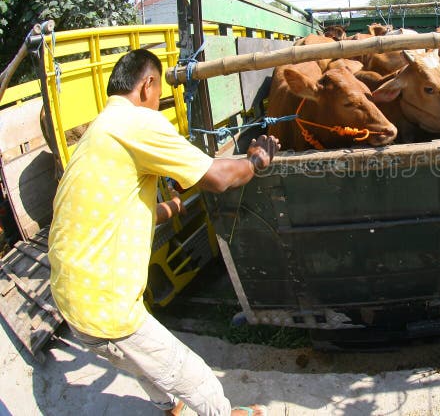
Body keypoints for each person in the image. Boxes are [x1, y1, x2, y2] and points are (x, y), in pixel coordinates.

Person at [48, 49, 279, 415]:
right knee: (194, 377)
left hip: (70, 298)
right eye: (160, 98)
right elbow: (218, 178)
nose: (159, 106)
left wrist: (170, 207)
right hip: (104, 303)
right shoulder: (138, 123)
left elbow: (118, 207)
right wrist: (255, 161)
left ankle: (169, 407)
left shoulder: (99, 129)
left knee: (137, 360)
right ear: (148, 85)